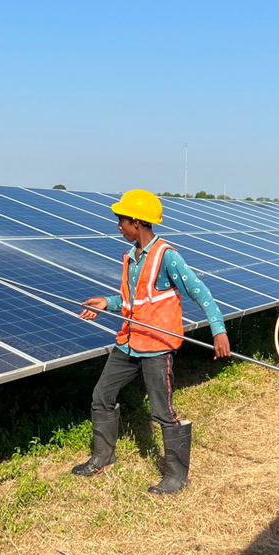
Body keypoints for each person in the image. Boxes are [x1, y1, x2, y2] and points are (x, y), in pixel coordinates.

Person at [74, 189, 231, 496]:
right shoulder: (132, 257)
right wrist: (107, 302)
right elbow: (135, 299)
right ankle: (103, 457)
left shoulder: (167, 257)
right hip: (129, 343)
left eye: (121, 220)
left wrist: (219, 330)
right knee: (101, 396)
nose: (118, 225)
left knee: (162, 411)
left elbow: (201, 292)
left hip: (157, 346)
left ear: (137, 222)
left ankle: (176, 476)